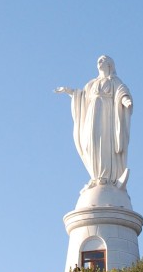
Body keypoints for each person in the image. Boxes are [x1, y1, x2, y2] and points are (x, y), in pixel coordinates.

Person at [56, 55, 133, 190]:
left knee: (104, 143)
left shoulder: (114, 81)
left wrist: (125, 100)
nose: (99, 61)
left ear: (110, 64)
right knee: (90, 142)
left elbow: (121, 91)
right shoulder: (92, 83)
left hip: (107, 114)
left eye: (103, 59)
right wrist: (70, 92)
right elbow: (82, 96)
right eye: (98, 60)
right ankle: (95, 176)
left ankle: (105, 176)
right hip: (92, 114)